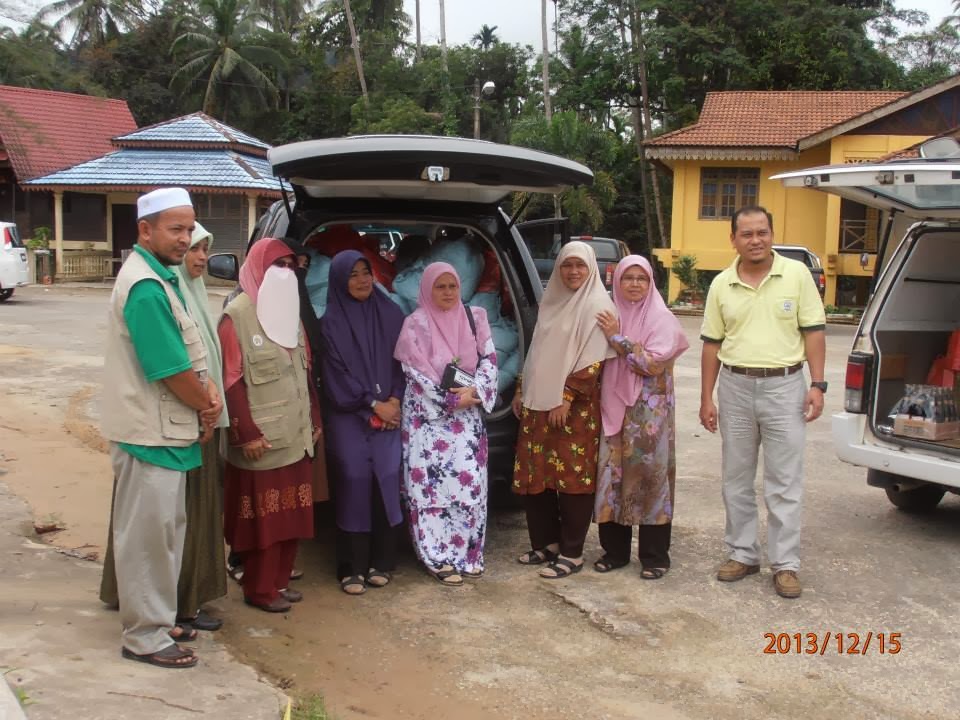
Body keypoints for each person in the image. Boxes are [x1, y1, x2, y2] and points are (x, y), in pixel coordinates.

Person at [100, 187, 222, 669]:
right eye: (175, 229)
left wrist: (203, 403)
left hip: (165, 432)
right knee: (148, 539)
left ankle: (157, 616)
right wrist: (206, 406)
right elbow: (169, 368)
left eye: (189, 229)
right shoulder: (146, 288)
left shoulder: (160, 278)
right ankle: (145, 637)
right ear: (144, 230)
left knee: (165, 533)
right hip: (149, 433)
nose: (184, 238)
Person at [699, 206, 826, 600]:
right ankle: (742, 553)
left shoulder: (796, 275)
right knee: (736, 478)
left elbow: (815, 332)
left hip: (785, 385)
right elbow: (711, 344)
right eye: (747, 234)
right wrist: (707, 397)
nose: (756, 240)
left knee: (784, 480)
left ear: (771, 234)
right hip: (735, 387)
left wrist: (817, 384)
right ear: (733, 240)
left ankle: (785, 564)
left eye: (762, 232)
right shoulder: (721, 284)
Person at [219, 238, 322, 613]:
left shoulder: (290, 312)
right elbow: (230, 381)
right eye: (279, 265)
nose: (286, 273)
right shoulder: (238, 315)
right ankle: (259, 589)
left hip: (295, 435)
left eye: (292, 266)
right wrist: (245, 432)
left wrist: (315, 418)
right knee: (263, 521)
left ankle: (279, 582)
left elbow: (306, 373)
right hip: (261, 439)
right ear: (259, 267)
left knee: (291, 517)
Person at [512, 241, 615, 579]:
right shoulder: (551, 302)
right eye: (567, 265)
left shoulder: (598, 304)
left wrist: (568, 395)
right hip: (537, 402)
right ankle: (546, 544)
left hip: (574, 409)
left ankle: (571, 552)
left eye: (580, 266)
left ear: (591, 269)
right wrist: (521, 387)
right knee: (537, 475)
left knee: (573, 479)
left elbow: (595, 358)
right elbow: (536, 351)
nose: (573, 272)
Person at [395, 262, 498, 585]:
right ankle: (436, 556)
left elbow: (490, 360)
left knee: (469, 488)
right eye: (440, 287)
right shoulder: (414, 325)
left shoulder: (475, 317)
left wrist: (477, 392)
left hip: (467, 421)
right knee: (430, 492)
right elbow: (415, 374)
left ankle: (468, 554)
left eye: (452, 286)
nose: (448, 293)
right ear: (427, 289)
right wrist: (452, 400)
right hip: (428, 423)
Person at [594, 256, 689, 579]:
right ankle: (614, 552)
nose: (634, 284)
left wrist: (617, 339)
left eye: (642, 278)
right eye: (628, 278)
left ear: (651, 283)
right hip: (612, 408)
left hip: (650, 416)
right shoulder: (609, 313)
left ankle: (654, 557)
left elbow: (651, 363)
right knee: (612, 477)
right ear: (617, 282)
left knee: (650, 478)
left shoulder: (661, 319)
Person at [319, 250, 406, 595]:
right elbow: (335, 376)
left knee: (386, 474)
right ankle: (351, 565)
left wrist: (394, 401)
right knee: (354, 476)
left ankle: (382, 561)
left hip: (389, 413)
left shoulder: (391, 314)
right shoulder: (330, 324)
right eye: (353, 274)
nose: (362, 280)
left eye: (366, 272)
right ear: (340, 280)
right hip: (349, 415)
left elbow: (404, 362)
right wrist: (373, 405)